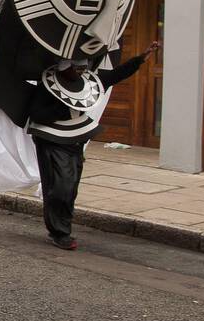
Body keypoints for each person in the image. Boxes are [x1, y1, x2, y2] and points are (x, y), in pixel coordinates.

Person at [31, 40, 159, 250]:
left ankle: (63, 228)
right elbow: (36, 114)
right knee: (58, 187)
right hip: (51, 140)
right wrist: (65, 103)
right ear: (65, 68)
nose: (82, 72)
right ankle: (59, 232)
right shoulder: (46, 85)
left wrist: (141, 58)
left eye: (84, 68)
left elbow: (115, 75)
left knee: (70, 186)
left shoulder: (88, 81)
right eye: (78, 68)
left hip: (75, 138)